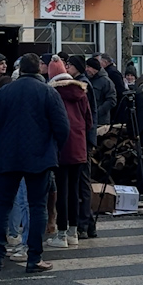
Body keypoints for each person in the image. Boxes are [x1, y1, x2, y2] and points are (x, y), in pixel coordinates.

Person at [0, 53, 69, 274]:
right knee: (37, 207)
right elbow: (62, 128)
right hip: (40, 157)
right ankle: (34, 258)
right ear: (39, 69)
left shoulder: (3, 92)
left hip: (8, 156)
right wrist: (53, 148)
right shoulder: (48, 92)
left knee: (3, 205)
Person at [48, 58, 93, 248]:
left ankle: (62, 233)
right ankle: (74, 231)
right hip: (79, 147)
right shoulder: (81, 92)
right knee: (74, 191)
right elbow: (89, 121)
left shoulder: (53, 93)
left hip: (61, 147)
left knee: (62, 191)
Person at [83, 57, 117, 128]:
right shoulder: (87, 80)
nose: (86, 69)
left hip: (101, 122)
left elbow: (112, 101)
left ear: (95, 68)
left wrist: (97, 112)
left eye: (88, 67)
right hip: (88, 120)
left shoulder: (106, 82)